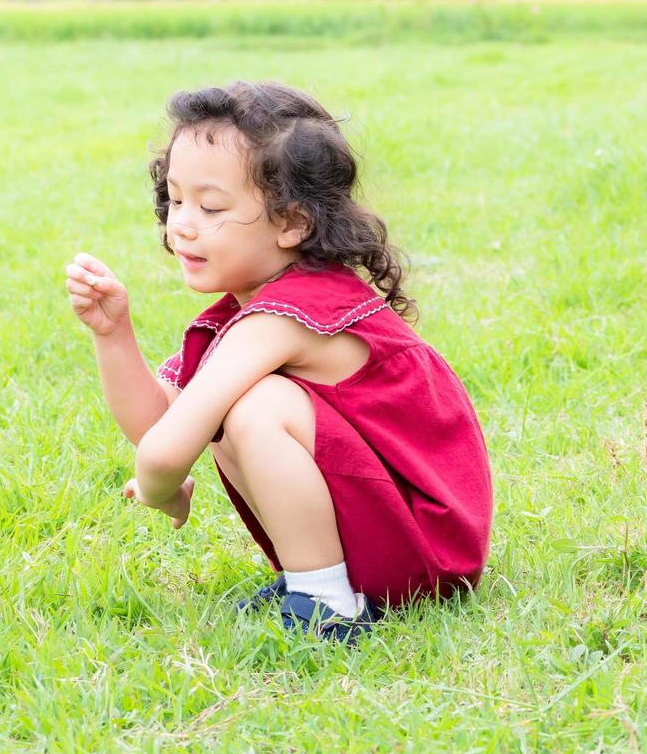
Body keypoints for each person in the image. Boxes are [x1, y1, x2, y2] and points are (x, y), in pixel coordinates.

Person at [64, 80, 492, 643]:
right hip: (386, 536)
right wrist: (113, 335)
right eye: (175, 199)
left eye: (211, 206)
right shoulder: (246, 314)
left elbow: (163, 452)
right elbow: (162, 424)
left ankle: (324, 601)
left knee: (256, 407)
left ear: (293, 223)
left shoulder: (290, 314)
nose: (182, 223)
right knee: (228, 407)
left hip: (427, 548)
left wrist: (160, 488)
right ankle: (313, 578)